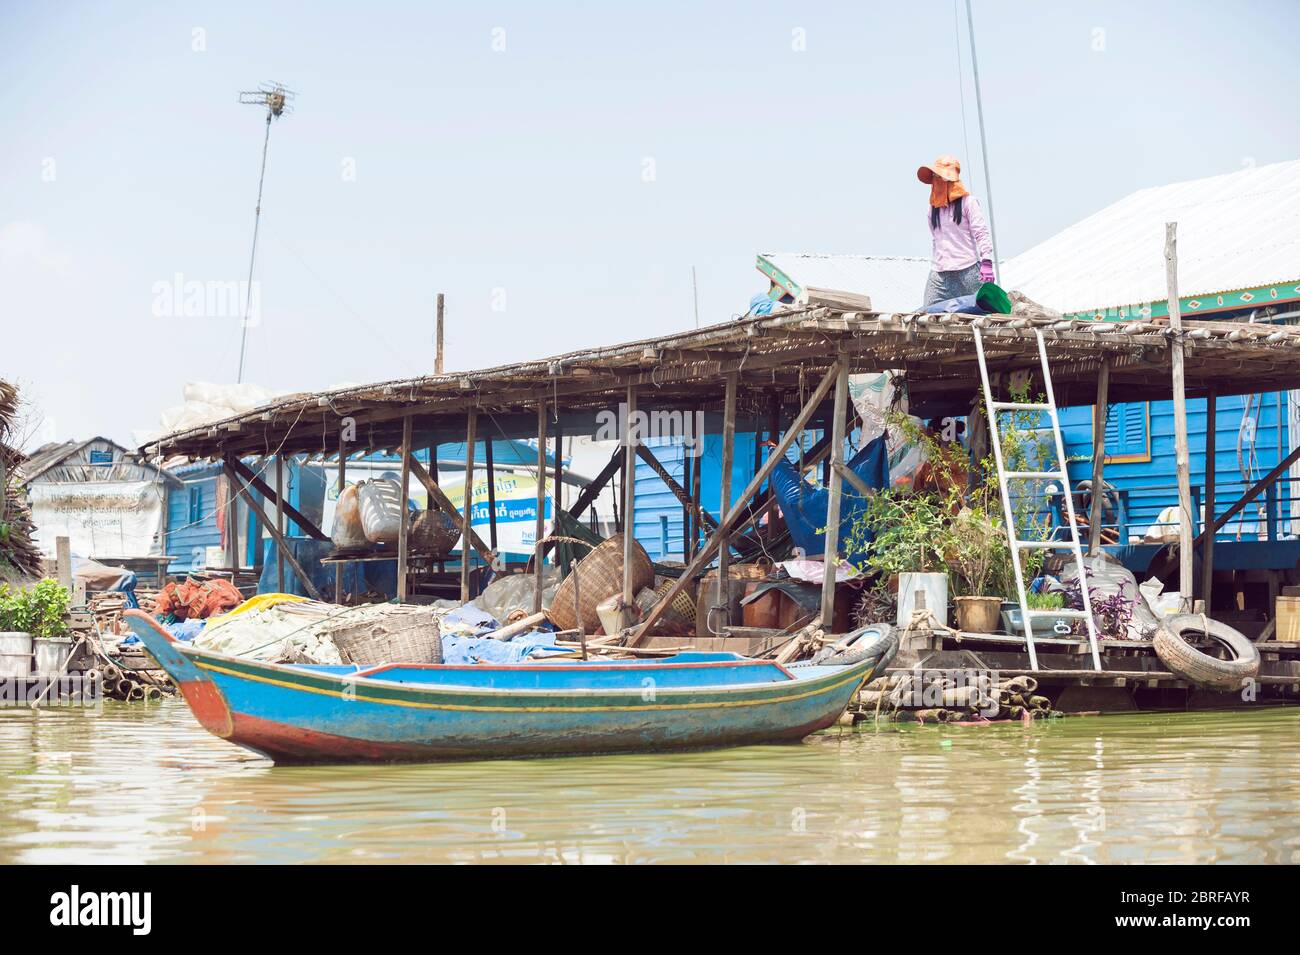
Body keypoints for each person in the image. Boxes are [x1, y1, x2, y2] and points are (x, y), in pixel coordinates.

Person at [918, 155, 994, 306]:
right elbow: (936, 239)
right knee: (928, 312)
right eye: (934, 177)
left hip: (967, 269)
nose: (935, 181)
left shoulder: (968, 203)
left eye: (938, 176)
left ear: (949, 180)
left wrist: (986, 261)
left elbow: (981, 232)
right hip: (940, 273)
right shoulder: (932, 209)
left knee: (984, 309)